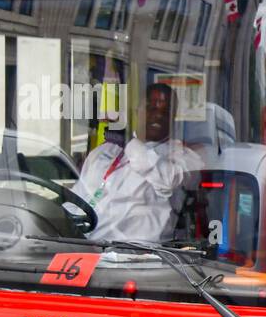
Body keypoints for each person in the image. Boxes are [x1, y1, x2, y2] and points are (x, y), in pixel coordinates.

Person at [76, 82, 200, 243]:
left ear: (174, 118)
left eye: (166, 111)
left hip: (140, 257)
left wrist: (129, 142)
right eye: (151, 108)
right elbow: (78, 199)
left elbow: (166, 181)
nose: (158, 115)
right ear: (138, 111)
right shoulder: (104, 152)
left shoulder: (184, 158)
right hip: (86, 250)